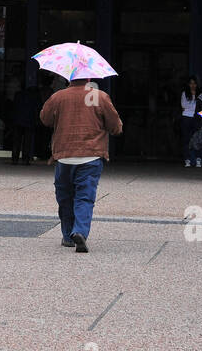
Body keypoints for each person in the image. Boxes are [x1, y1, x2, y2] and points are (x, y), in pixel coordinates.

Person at [40, 78, 123, 253]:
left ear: (68, 78)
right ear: (89, 78)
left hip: (64, 156)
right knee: (84, 197)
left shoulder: (58, 96)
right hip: (91, 156)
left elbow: (45, 119)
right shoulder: (99, 96)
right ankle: (80, 232)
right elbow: (115, 125)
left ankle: (67, 235)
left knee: (65, 197)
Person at [11, 84, 40, 165]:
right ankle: (25, 159)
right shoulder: (34, 96)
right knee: (27, 141)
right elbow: (37, 108)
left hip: (18, 120)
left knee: (17, 141)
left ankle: (14, 159)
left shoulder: (18, 94)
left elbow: (14, 106)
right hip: (29, 121)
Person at [179, 76, 201, 168]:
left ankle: (198, 159)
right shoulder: (184, 93)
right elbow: (183, 106)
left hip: (196, 118)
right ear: (188, 84)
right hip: (186, 118)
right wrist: (195, 109)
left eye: (194, 83)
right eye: (191, 83)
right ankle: (187, 159)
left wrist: (199, 114)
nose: (192, 85)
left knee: (197, 139)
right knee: (186, 139)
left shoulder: (200, 94)